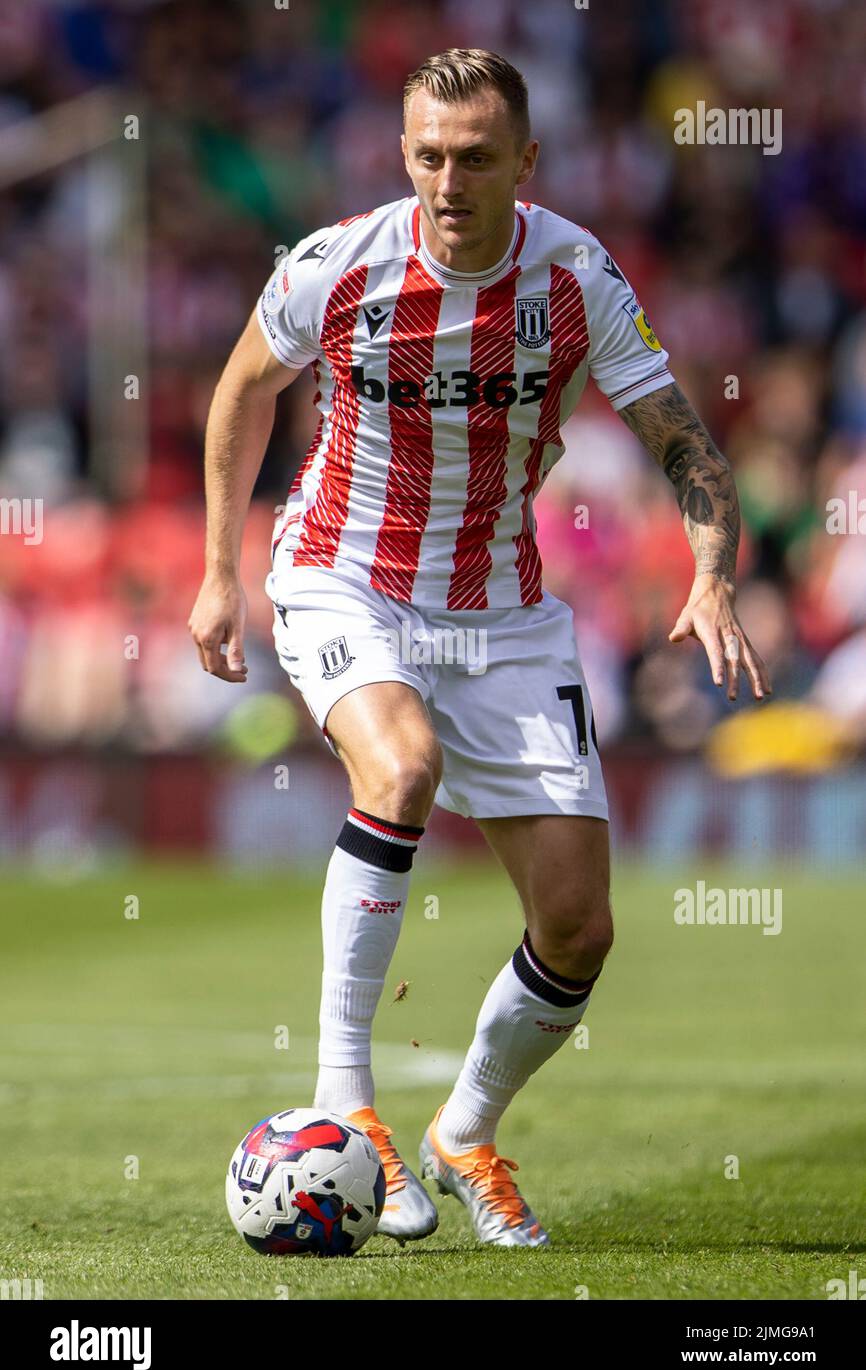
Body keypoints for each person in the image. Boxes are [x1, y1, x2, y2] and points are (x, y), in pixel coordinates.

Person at [189, 48, 771, 1248]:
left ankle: (463, 1129)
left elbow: (676, 435)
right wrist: (214, 571)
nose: (447, 180)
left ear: (525, 162)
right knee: (396, 770)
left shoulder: (573, 276)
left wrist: (709, 573)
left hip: (501, 612)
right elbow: (243, 390)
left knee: (577, 927)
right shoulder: (336, 265)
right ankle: (347, 1114)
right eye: (426, 155)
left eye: (474, 157)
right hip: (342, 573)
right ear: (403, 154)